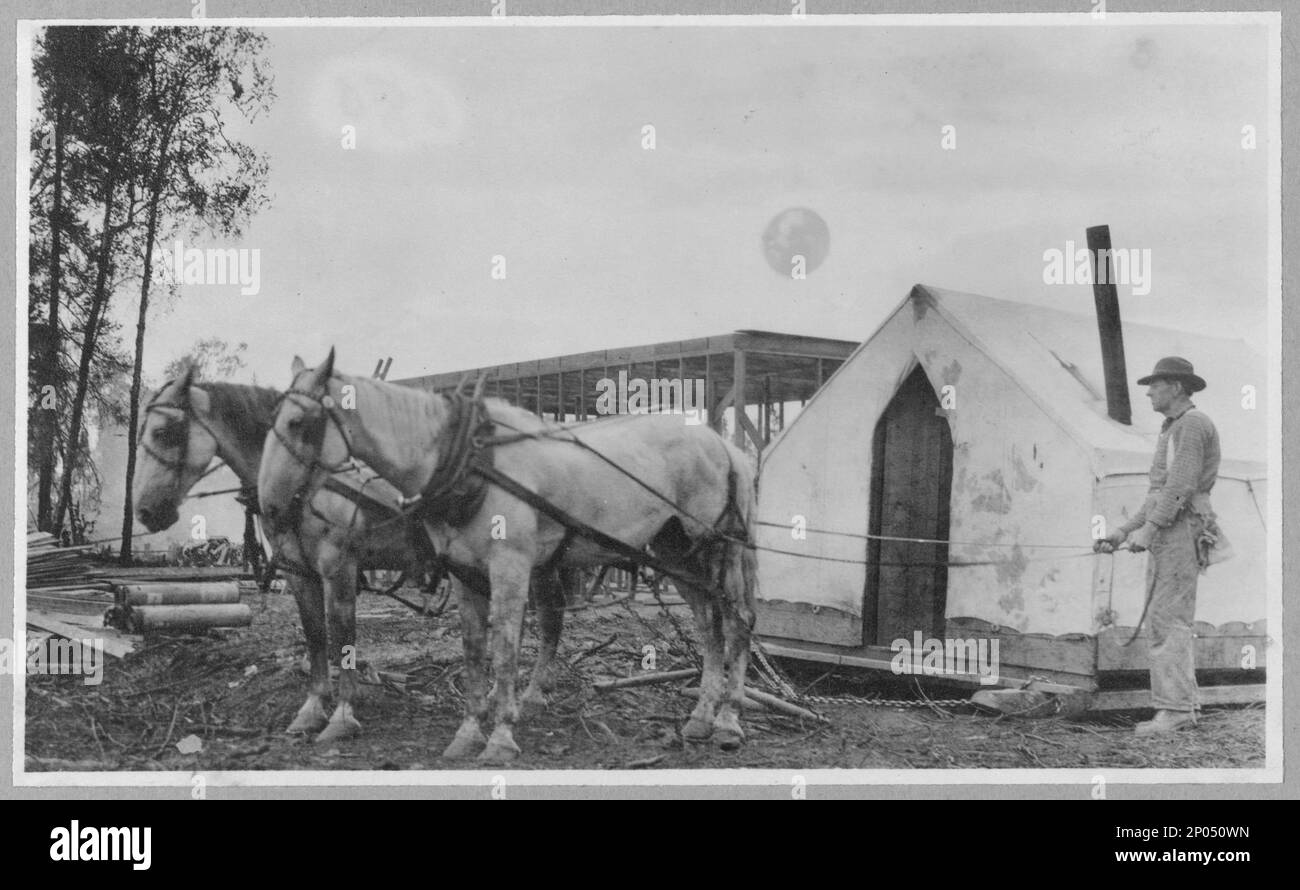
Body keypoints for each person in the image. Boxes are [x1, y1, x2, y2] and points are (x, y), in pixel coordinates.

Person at [1094, 356, 1221, 735]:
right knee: (1163, 620)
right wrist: (1124, 530)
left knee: (1169, 621)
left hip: (1181, 531)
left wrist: (1148, 531)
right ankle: (1182, 706)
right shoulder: (1173, 427)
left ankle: (1176, 711)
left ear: (1177, 387)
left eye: (1155, 384)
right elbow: (1159, 492)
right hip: (1170, 529)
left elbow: (1181, 486)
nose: (1148, 392)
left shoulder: (1193, 424)